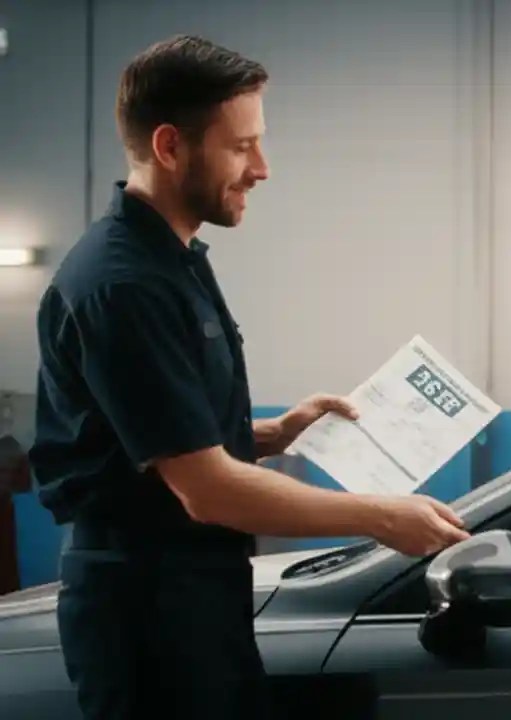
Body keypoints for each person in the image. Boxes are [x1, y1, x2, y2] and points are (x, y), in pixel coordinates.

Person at [28, 35, 469, 720]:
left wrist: (271, 434)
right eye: (242, 147)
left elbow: (153, 438)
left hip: (190, 593)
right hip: (148, 608)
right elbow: (206, 491)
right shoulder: (123, 285)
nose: (262, 168)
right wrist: (381, 516)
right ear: (171, 146)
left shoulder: (172, 261)